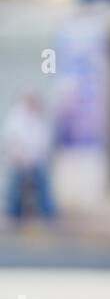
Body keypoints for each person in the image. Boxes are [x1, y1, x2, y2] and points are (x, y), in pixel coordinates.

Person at [2, 91, 57, 223]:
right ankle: (12, 212)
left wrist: (35, 159)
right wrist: (20, 156)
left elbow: (45, 144)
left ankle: (48, 214)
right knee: (15, 179)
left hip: (35, 162)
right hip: (18, 161)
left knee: (43, 177)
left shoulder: (41, 120)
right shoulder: (15, 119)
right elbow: (9, 142)